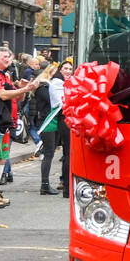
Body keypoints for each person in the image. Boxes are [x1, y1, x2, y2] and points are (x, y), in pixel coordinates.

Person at [0, 47, 38, 186]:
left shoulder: (5, 75)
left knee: (3, 157)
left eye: (9, 56)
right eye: (4, 57)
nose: (8, 59)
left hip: (8, 122)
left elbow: (19, 97)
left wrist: (24, 87)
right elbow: (1, 94)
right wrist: (24, 89)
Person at [33, 62, 61, 195]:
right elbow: (53, 101)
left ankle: (46, 184)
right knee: (48, 153)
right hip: (47, 122)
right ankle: (44, 185)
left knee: (50, 152)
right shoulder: (44, 86)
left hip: (54, 121)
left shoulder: (49, 85)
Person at [51, 60, 73, 198]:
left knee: (71, 153)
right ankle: (66, 186)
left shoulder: (72, 82)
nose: (68, 71)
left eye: (70, 68)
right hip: (64, 118)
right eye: (65, 68)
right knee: (68, 153)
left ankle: (68, 183)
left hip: (74, 118)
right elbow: (60, 102)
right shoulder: (56, 83)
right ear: (60, 69)